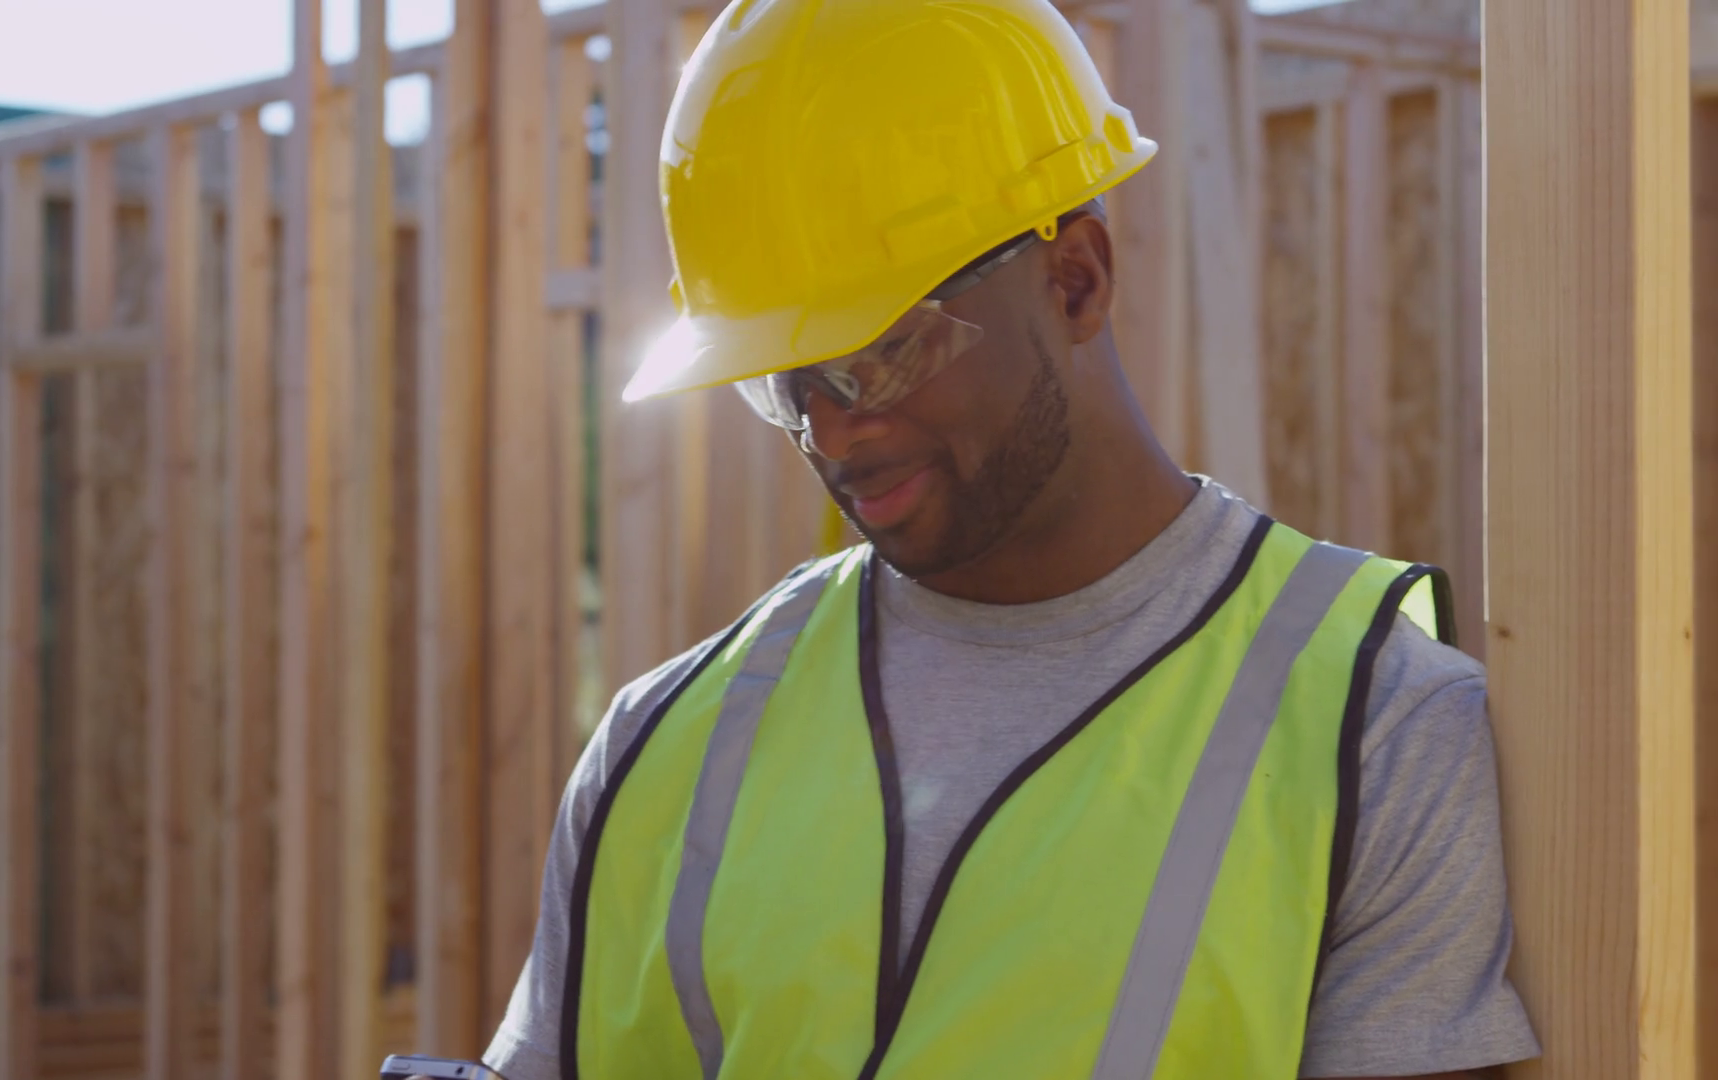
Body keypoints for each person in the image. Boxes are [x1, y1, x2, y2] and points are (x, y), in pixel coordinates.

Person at [484, 0, 1539, 1076]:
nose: (834, 430)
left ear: (1075, 279)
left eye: (881, 354)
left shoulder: (1372, 727)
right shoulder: (663, 746)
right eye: (784, 382)